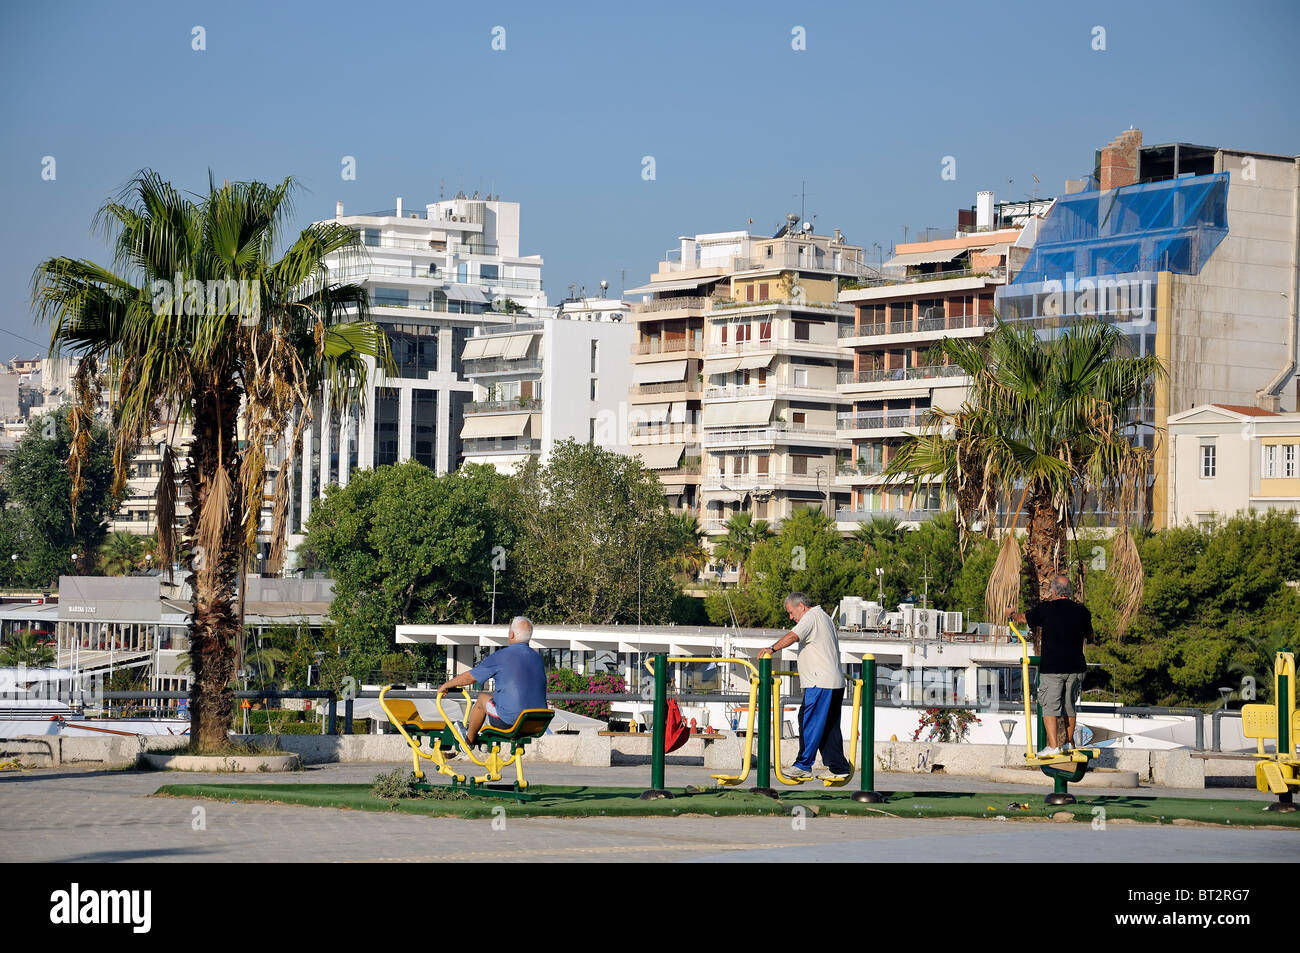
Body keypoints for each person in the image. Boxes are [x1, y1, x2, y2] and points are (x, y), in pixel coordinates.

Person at [758, 592, 852, 779]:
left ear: (801, 606)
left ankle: (803, 764)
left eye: (791, 612)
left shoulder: (810, 617)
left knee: (808, 721)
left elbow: (793, 636)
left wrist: (772, 649)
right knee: (828, 726)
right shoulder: (823, 616)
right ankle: (839, 767)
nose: (791, 617)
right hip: (835, 682)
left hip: (820, 683)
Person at [1008, 574, 1091, 756]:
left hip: (1053, 667)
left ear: (1053, 591)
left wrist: (1012, 614)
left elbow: (1024, 618)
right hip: (1076, 667)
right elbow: (1090, 636)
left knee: (1049, 706)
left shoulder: (1047, 609)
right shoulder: (1082, 611)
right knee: (1069, 705)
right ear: (1069, 592)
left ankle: (1053, 747)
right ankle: (1069, 744)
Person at [436, 616, 547, 747]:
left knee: (482, 698)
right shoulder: (538, 658)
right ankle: (481, 740)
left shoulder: (501, 656)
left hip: (509, 721)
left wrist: (446, 685)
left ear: (511, 634)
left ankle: (468, 742)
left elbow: (470, 677)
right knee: (497, 699)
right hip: (536, 723)